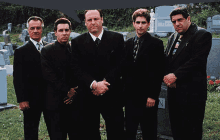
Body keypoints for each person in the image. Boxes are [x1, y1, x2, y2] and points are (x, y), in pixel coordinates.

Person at [70, 9, 125, 140]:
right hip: (89, 95)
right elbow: (76, 68)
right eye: (89, 20)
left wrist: (104, 83)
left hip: (112, 93)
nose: (93, 22)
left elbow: (121, 64)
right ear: (85, 23)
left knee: (116, 131)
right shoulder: (77, 42)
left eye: (96, 19)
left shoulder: (116, 38)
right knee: (90, 132)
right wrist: (94, 84)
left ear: (102, 19)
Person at [164, 7, 212, 140]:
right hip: (174, 91)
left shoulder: (202, 35)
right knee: (176, 128)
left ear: (188, 19)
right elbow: (167, 59)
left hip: (192, 92)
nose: (177, 24)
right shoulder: (173, 36)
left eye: (180, 20)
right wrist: (167, 76)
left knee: (192, 130)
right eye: (174, 21)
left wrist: (175, 76)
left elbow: (197, 61)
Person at [121, 9, 165, 140]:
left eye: (143, 23)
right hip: (130, 96)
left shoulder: (156, 44)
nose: (140, 26)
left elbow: (158, 71)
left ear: (148, 24)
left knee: (149, 131)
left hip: (147, 98)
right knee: (129, 130)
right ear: (133, 24)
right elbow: (125, 70)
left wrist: (152, 95)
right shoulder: (128, 43)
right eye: (138, 22)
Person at [41, 18, 79, 140]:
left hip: (75, 103)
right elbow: (49, 75)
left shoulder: (75, 50)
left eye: (66, 30)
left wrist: (74, 92)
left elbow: (79, 73)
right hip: (55, 103)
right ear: (55, 32)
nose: (64, 33)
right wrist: (67, 91)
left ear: (70, 31)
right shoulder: (47, 50)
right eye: (61, 30)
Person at [13, 16, 48, 140]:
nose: (35, 30)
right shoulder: (21, 51)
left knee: (55, 128)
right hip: (31, 99)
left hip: (50, 97)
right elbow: (18, 78)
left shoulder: (49, 47)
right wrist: (22, 99)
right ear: (28, 30)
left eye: (38, 28)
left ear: (42, 29)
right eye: (32, 28)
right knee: (31, 130)